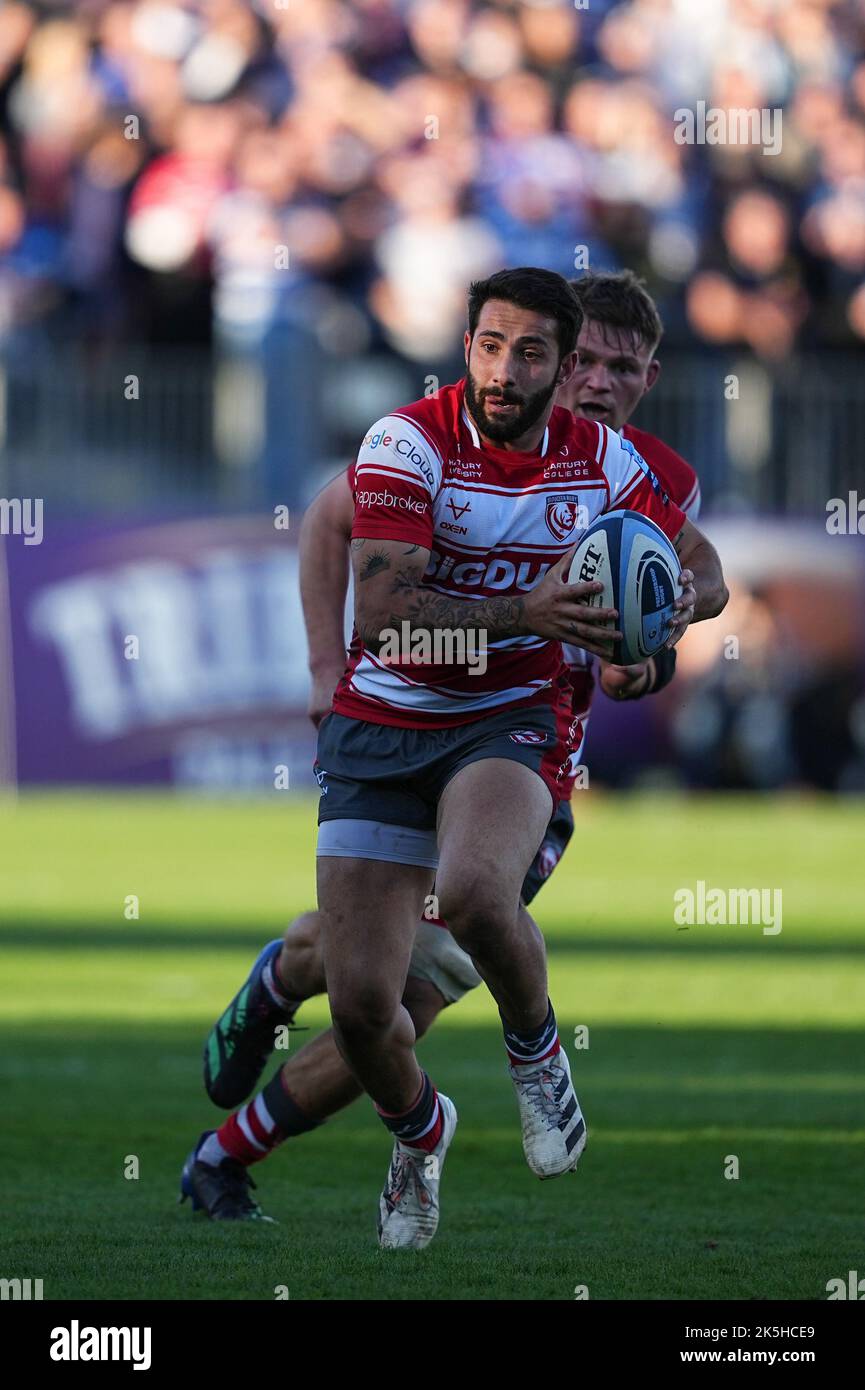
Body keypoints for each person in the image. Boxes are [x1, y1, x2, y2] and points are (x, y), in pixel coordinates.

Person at [181, 267, 727, 1245]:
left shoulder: (628, 468)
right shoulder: (416, 439)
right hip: (390, 723)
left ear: (645, 376)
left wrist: (649, 646)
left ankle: (233, 1150)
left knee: (430, 969)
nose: (595, 383)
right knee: (361, 993)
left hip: (519, 741)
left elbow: (695, 586)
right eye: (579, 361)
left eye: (619, 367)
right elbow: (334, 535)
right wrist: (323, 669)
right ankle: (287, 990)